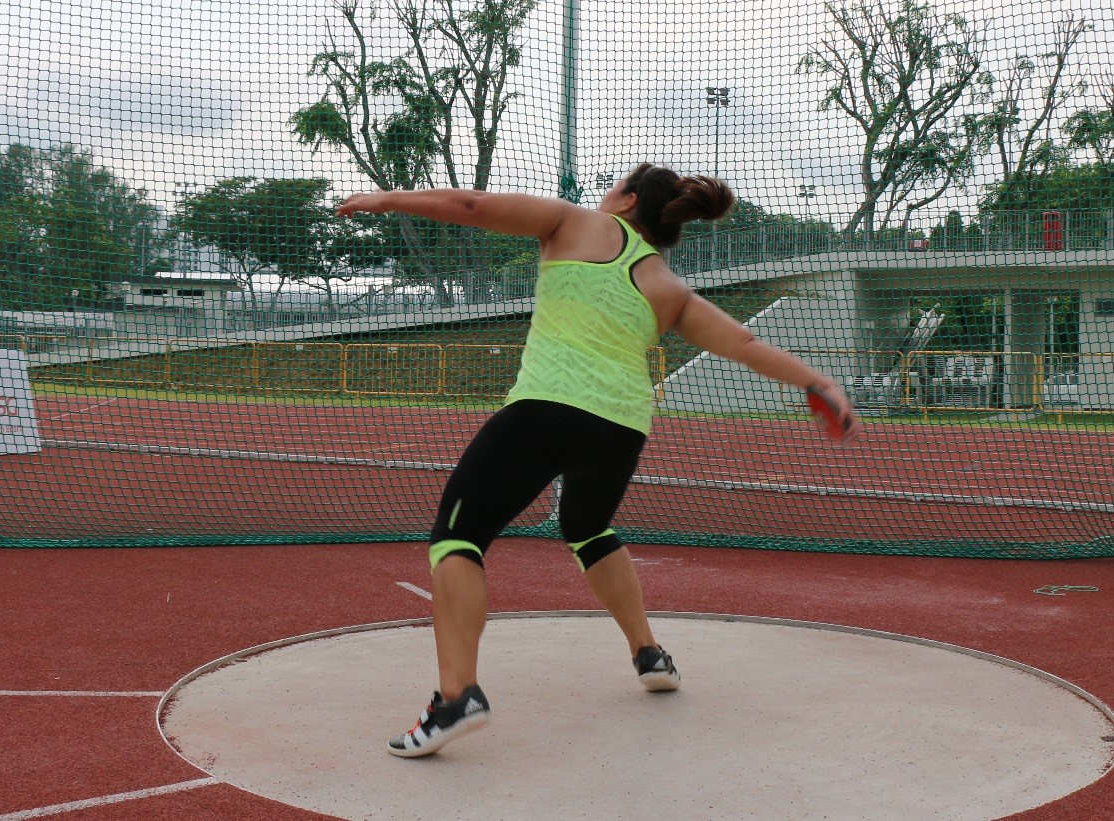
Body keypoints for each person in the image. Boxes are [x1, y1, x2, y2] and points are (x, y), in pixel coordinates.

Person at [336, 164, 859, 758]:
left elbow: (473, 206)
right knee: (587, 527)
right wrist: (820, 384)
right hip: (620, 430)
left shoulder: (574, 222)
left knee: (458, 538)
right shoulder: (668, 286)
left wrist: (388, 198)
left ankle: (456, 697)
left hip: (547, 408)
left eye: (612, 187)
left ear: (628, 200)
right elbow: (745, 343)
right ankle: (649, 654)